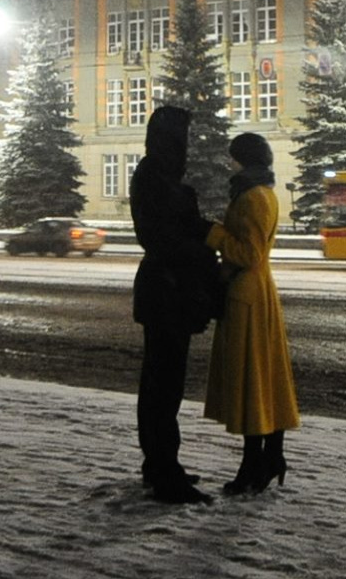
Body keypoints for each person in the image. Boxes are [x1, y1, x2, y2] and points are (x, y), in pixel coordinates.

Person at [129, 106, 220, 505]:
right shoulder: (152, 176)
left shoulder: (163, 175)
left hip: (171, 290)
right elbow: (159, 237)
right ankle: (164, 473)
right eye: (181, 135)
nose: (186, 143)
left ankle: (163, 464)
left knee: (166, 385)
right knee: (162, 387)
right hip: (164, 290)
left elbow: (181, 227)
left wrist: (216, 233)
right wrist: (202, 252)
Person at [204, 132, 300, 495]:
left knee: (251, 383)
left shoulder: (253, 197)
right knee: (265, 379)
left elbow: (249, 254)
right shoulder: (264, 193)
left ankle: (253, 465)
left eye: (234, 157)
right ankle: (269, 458)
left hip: (247, 296)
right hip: (258, 294)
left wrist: (213, 234)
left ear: (243, 159)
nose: (230, 163)